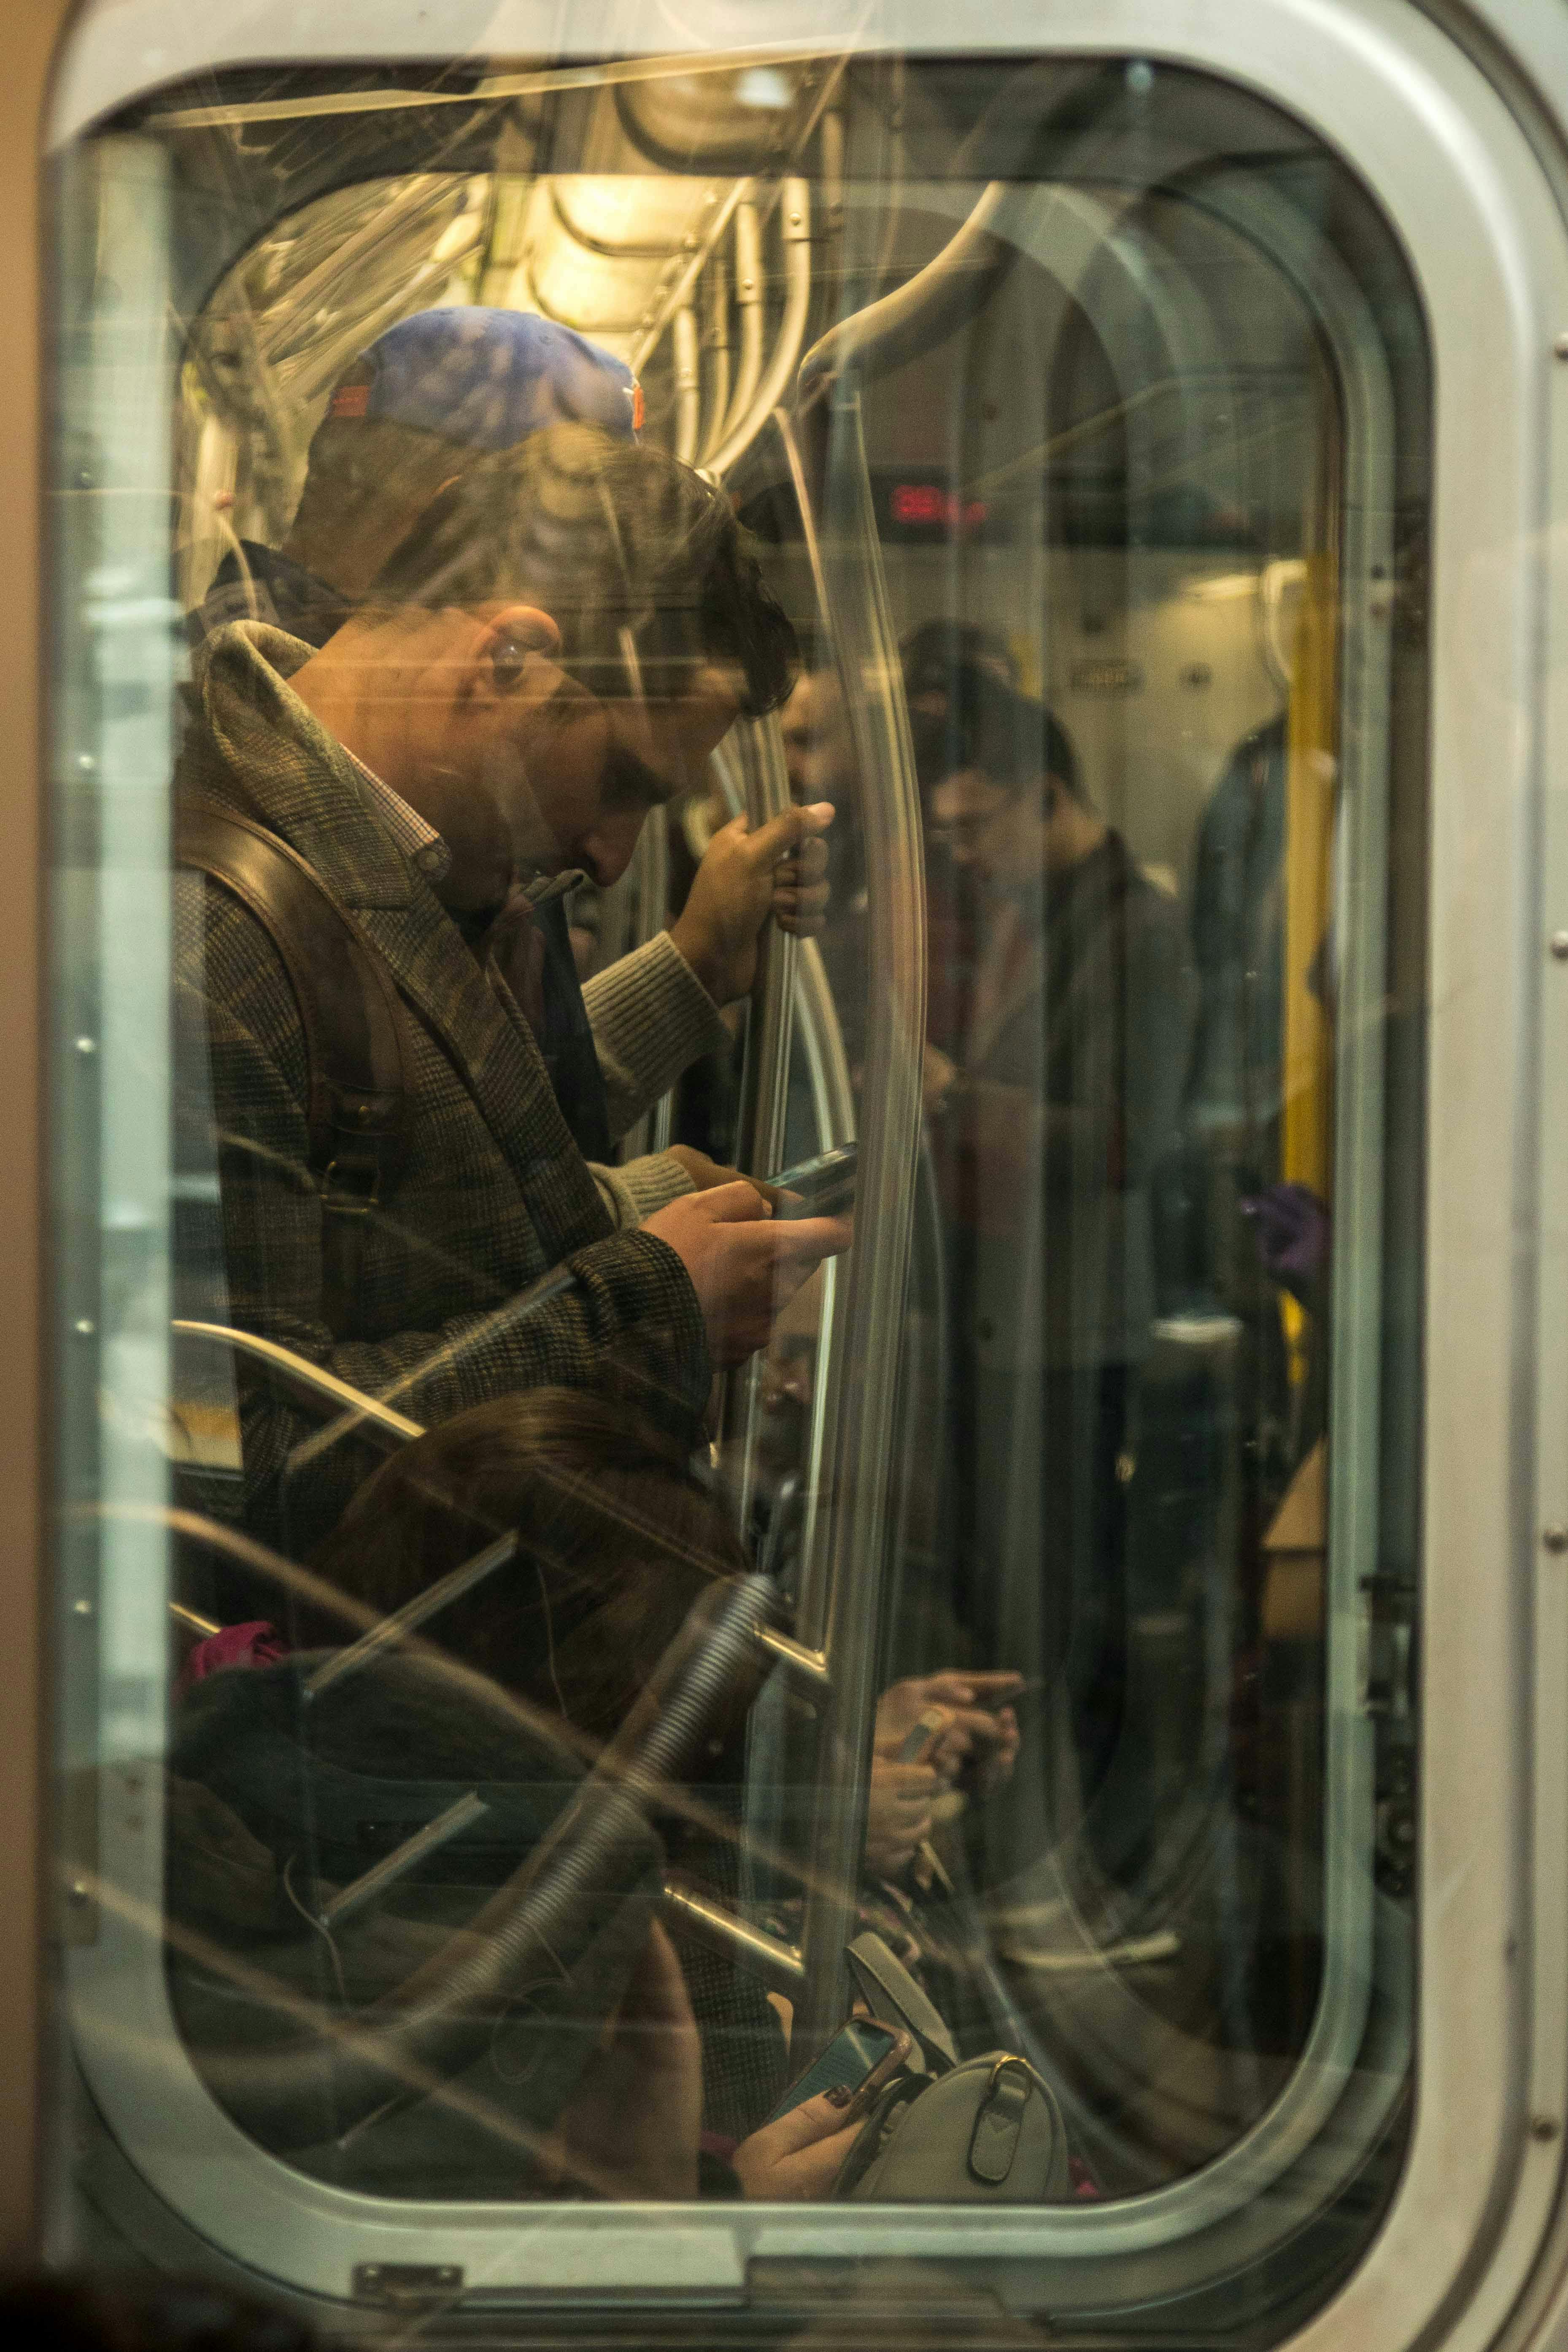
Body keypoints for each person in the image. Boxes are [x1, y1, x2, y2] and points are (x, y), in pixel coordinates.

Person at [174, 404, 850, 1569]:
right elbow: (244, 1475)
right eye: (623, 781)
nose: (614, 855)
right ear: (506, 658)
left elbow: (412, 1153)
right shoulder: (212, 943)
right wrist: (645, 1303)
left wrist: (688, 980)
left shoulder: (405, 852)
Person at [918, 667, 1188, 1803]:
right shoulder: (1025, 920)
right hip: (1001, 1302)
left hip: (1073, 1317)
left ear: (1045, 798)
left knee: (1069, 1599)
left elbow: (1134, 1146)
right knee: (1006, 1589)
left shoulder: (1141, 929)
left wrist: (958, 1101)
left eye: (979, 830)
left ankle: (1100, 1842)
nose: (967, 858)